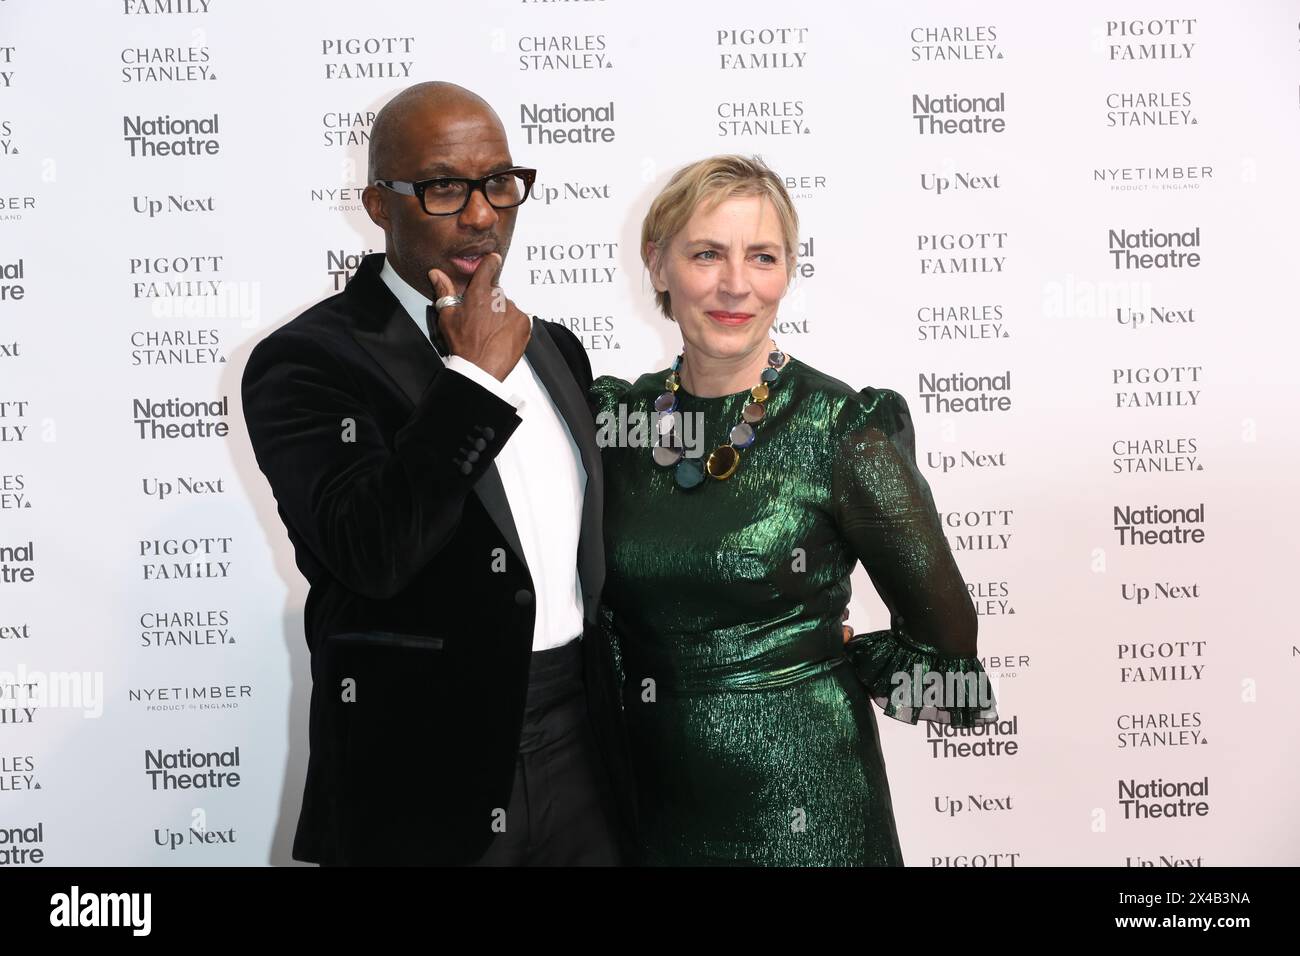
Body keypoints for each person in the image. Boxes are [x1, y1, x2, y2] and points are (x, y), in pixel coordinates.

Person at [241, 81, 633, 865]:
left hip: (582, 750)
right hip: (421, 780)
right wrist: (473, 386)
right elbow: (374, 553)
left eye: (499, 183)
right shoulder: (308, 362)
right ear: (379, 205)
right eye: (444, 187)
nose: (483, 215)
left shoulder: (556, 348)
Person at [588, 154, 998, 866]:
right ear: (657, 265)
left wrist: (835, 660)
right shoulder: (615, 424)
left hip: (806, 808)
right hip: (648, 803)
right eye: (706, 253)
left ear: (789, 271)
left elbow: (949, 648)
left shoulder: (842, 429)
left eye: (763, 257)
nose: (736, 285)